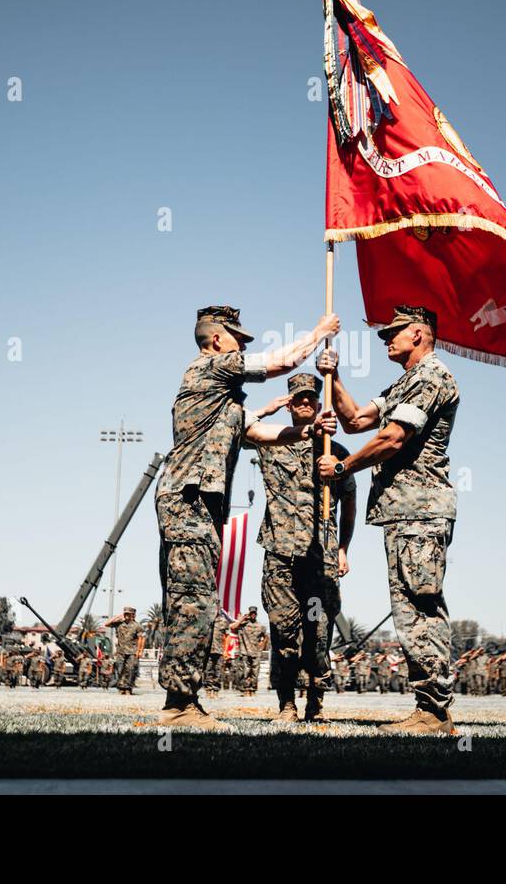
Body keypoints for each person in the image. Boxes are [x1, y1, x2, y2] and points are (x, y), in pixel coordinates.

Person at [155, 304, 340, 728]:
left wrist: (308, 431)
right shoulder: (209, 370)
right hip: (188, 501)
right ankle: (179, 705)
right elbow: (281, 363)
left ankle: (184, 700)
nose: (242, 346)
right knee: (192, 602)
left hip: (199, 504)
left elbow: (264, 434)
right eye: (238, 338)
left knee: (196, 601)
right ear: (217, 340)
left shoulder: (225, 400)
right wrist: (318, 333)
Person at [318, 304, 460, 735]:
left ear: (418, 334)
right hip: (403, 513)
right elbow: (357, 419)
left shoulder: (432, 377)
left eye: (393, 333)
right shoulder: (404, 383)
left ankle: (434, 711)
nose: (387, 340)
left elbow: (393, 438)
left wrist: (343, 469)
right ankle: (427, 707)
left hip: (421, 510)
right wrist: (334, 376)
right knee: (407, 610)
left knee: (420, 605)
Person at [248, 371, 357, 722]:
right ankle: (286, 704)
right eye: (298, 398)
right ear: (290, 403)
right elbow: (240, 427)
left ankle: (315, 701)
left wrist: (343, 547)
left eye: (311, 397)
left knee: (319, 630)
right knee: (283, 631)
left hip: (320, 556)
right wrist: (267, 408)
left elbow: (351, 500)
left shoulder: (335, 452)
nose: (305, 402)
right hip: (280, 554)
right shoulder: (272, 441)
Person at [105, 607, 145, 695]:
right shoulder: (119, 624)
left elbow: (141, 639)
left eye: (128, 614)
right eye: (125, 613)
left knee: (130, 670)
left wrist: (140, 651)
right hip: (121, 651)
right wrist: (117, 617)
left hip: (132, 652)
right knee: (119, 669)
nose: (126, 615)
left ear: (132, 615)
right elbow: (107, 624)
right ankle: (121, 687)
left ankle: (128, 688)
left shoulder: (137, 626)